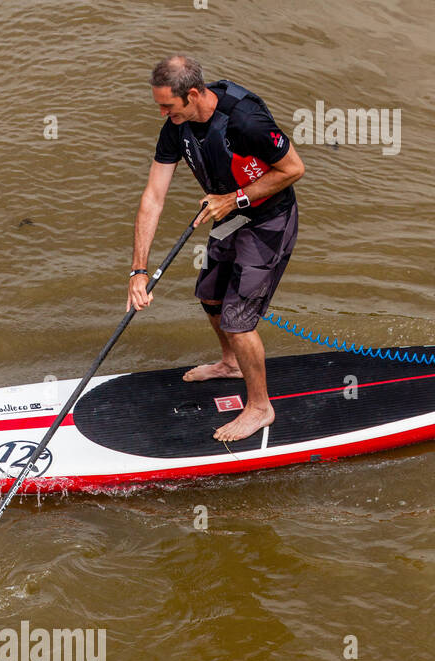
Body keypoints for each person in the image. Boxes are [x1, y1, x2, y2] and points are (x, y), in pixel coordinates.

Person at [128, 55, 305, 444]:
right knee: (210, 298)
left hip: (269, 221)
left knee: (238, 320)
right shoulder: (176, 125)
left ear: (192, 94)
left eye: (167, 105)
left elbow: (293, 169)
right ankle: (230, 365)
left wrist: (234, 199)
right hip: (230, 215)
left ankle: (260, 407)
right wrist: (138, 271)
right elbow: (153, 197)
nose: (162, 113)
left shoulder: (245, 120)